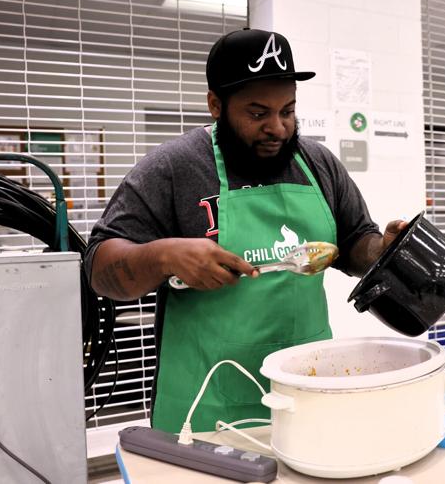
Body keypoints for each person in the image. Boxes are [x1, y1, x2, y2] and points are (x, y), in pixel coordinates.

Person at [85, 28, 406, 433]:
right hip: (204, 405)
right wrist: (164, 255)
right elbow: (99, 269)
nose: (278, 128)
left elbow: (356, 241)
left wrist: (382, 251)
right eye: (258, 114)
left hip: (306, 390)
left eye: (287, 111)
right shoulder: (173, 168)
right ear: (216, 105)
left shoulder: (318, 164)